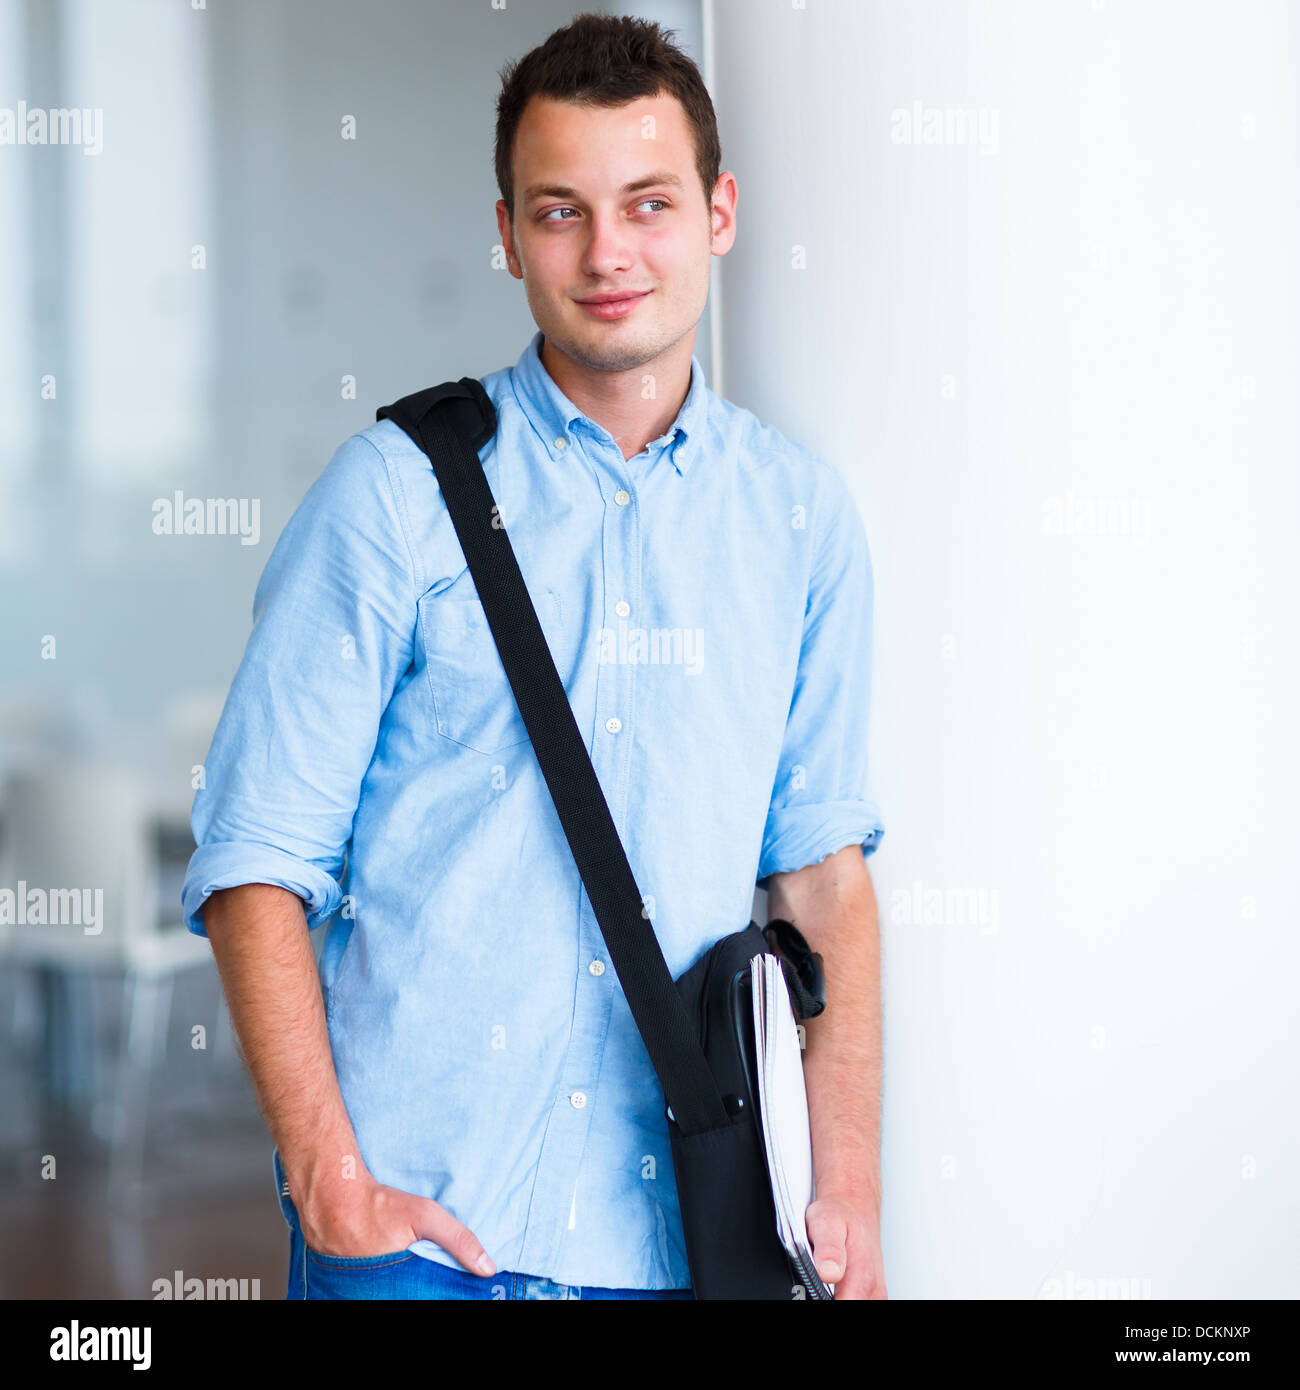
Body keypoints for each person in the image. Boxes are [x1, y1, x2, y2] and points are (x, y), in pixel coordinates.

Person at [183, 11, 887, 1302]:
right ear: (506, 235)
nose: (608, 251)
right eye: (559, 211)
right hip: (415, 1234)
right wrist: (330, 1178)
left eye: (649, 203)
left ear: (718, 214)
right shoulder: (391, 497)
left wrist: (845, 1197)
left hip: (682, 1243)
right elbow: (253, 860)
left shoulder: (799, 518)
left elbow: (823, 881)